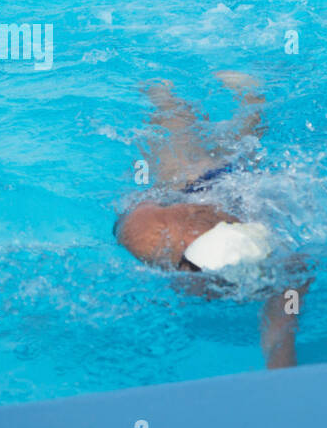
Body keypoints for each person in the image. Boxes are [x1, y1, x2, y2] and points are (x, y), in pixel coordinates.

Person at [114, 71, 308, 368]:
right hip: (197, 188)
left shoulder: (276, 272)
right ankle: (167, 93)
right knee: (191, 137)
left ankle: (248, 99)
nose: (204, 293)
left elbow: (280, 338)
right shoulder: (157, 235)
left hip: (229, 190)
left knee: (240, 151)